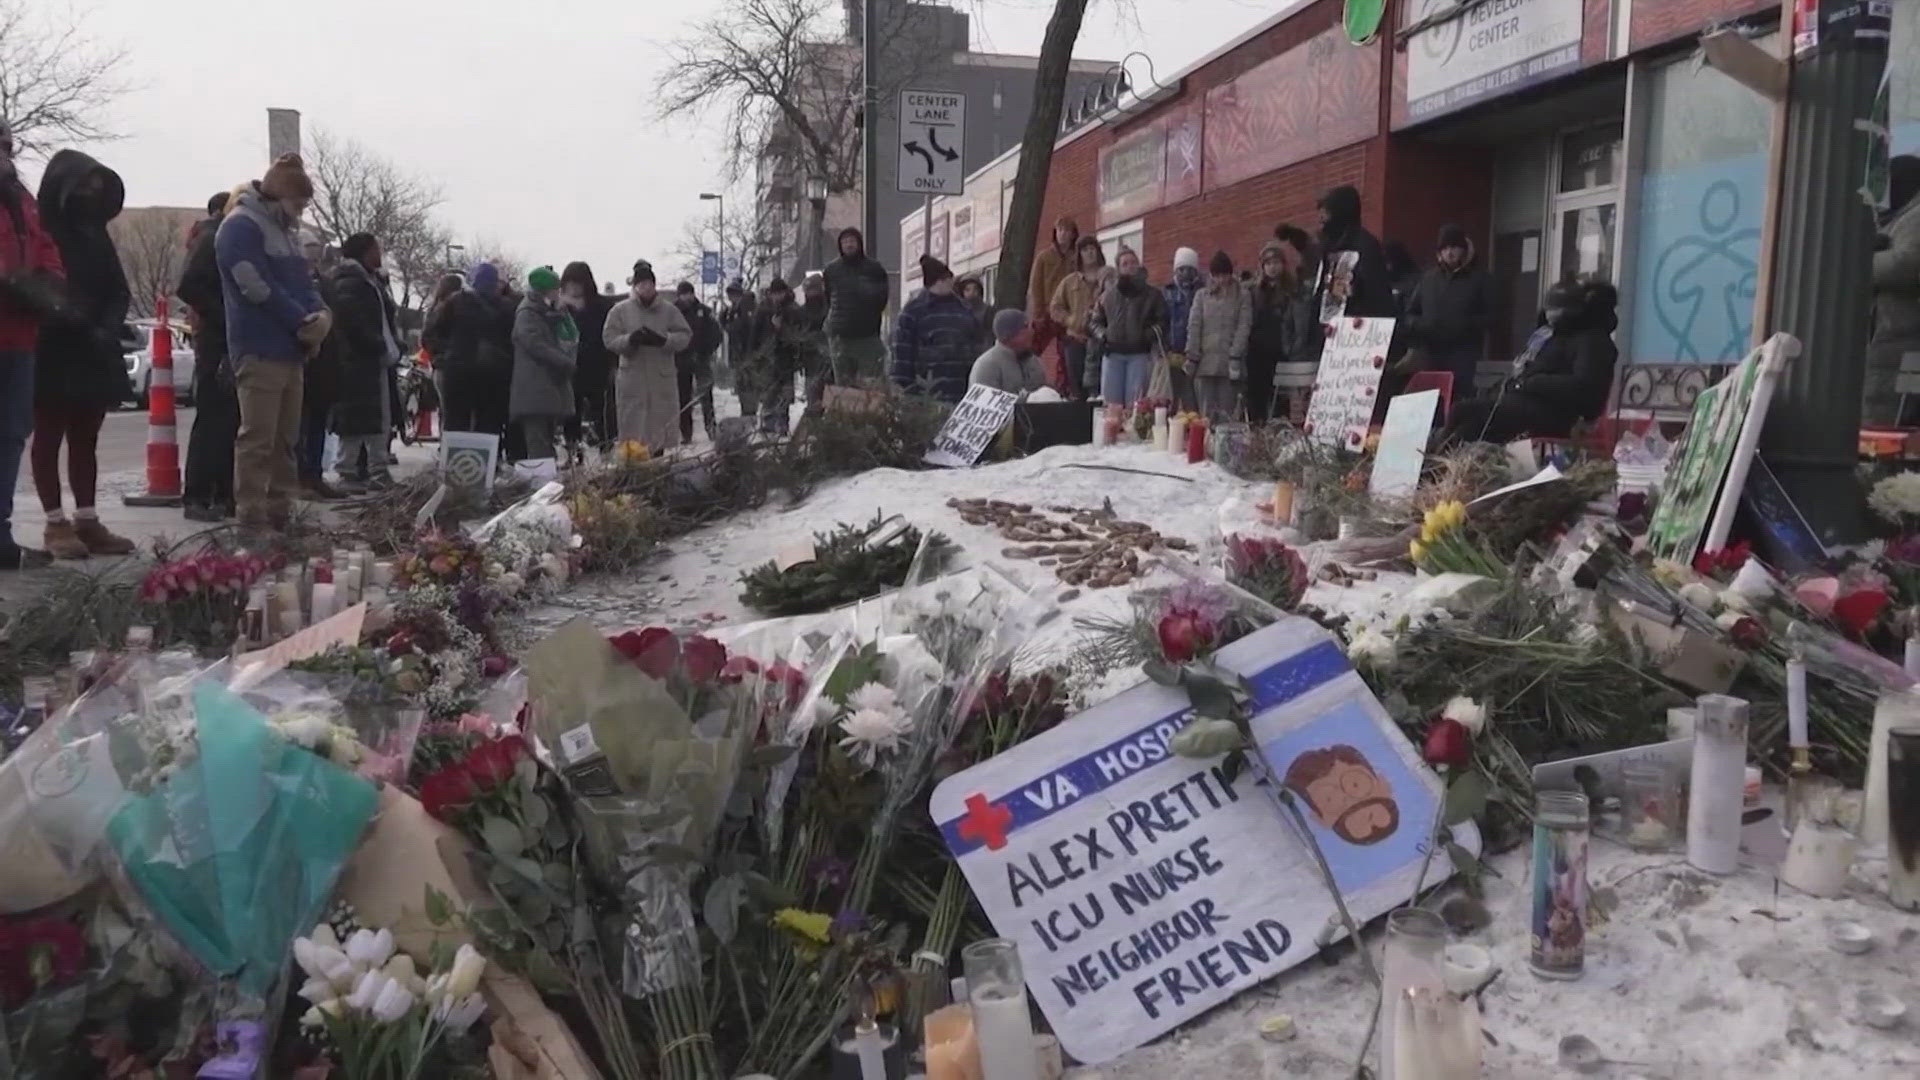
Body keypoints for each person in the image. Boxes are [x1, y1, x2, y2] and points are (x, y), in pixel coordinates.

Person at [30, 149, 135, 559]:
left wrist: (106, 325)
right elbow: (39, 281)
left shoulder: (96, 232)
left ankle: (87, 520)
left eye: (98, 187)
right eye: (85, 186)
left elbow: (118, 287)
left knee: (85, 438)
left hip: (94, 346)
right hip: (53, 345)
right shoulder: (42, 227)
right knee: (49, 434)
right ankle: (55, 522)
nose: (92, 194)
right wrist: (70, 317)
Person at [217, 153, 331, 531]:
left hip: (290, 351)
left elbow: (304, 283)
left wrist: (320, 315)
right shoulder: (240, 228)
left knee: (285, 439)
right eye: (297, 204)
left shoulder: (287, 232)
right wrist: (301, 321)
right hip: (259, 347)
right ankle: (251, 514)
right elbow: (256, 287)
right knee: (258, 439)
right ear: (280, 195)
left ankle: (281, 509)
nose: (299, 213)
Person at [1440, 280, 1618, 446]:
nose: (1550, 315)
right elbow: (1541, 366)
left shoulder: (1593, 342)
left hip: (1555, 414)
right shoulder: (1559, 337)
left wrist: (1531, 383)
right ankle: (1434, 464)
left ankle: (1433, 465)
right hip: (1529, 404)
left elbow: (1584, 387)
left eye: (1556, 310)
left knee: (1466, 413)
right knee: (1465, 421)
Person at [0, 119, 63, 569]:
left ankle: (0, 532)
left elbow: (45, 249)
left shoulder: (22, 200)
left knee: (11, 436)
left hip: (20, 337)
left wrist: (46, 284)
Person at [178, 190, 239, 522]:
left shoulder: (221, 237)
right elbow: (189, 286)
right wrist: (227, 316)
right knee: (214, 417)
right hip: (216, 340)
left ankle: (221, 492)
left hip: (227, 338)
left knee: (229, 420)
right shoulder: (212, 237)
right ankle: (199, 495)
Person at [325, 232, 401, 491]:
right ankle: (349, 471)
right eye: (376, 248)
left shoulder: (370, 281)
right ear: (365, 251)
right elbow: (351, 321)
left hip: (371, 360)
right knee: (357, 418)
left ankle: (374, 470)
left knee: (377, 417)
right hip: (358, 361)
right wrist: (376, 344)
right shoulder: (351, 282)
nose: (380, 254)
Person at [603, 260, 691, 450]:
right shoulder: (620, 311)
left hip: (661, 376)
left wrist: (664, 340)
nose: (646, 288)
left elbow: (685, 335)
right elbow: (609, 338)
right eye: (641, 284)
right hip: (632, 377)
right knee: (633, 427)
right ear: (635, 286)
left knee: (659, 425)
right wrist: (629, 340)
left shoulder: (668, 310)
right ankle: (633, 464)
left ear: (654, 285)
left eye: (649, 284)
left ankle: (658, 460)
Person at [1405, 223, 1494, 393]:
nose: (1450, 252)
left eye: (1454, 247)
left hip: (1463, 353)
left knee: (1458, 397)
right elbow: (1410, 312)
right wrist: (1420, 324)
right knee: (1431, 399)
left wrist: (1465, 324)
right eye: (1445, 248)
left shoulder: (1480, 279)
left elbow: (1492, 316)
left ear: (1464, 249)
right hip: (1431, 353)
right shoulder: (1429, 279)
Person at [432, 262, 514, 436]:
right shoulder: (506, 307)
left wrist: (444, 354)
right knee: (489, 424)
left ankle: (456, 461)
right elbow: (512, 339)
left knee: (456, 422)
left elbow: (436, 331)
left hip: (458, 370)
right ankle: (486, 461)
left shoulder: (455, 302)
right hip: (494, 373)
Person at [1868, 156, 1920, 424]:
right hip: (1890, 343)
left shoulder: (1914, 216)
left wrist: (1857, 265)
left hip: (1902, 343)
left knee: (1889, 424)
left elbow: (1909, 264)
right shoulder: (1898, 217)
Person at [509, 266, 579, 461]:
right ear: (546, 290)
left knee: (546, 441)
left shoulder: (547, 312)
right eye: (556, 289)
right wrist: (563, 362)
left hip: (546, 388)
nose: (559, 293)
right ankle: (541, 483)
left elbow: (571, 337)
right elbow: (534, 344)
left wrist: (563, 316)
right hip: (534, 388)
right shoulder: (527, 313)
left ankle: (546, 480)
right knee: (538, 444)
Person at [891, 255, 978, 403]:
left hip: (960, 386)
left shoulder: (963, 308)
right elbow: (902, 353)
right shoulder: (913, 311)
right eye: (945, 279)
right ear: (935, 282)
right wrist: (903, 386)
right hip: (925, 389)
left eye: (950, 278)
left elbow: (976, 342)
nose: (950, 282)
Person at [1090, 246, 1167, 409]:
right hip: (1113, 356)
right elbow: (1094, 322)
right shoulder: (1107, 296)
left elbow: (1163, 322)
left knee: (1136, 405)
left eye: (1133, 262)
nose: (1130, 266)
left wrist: (1146, 336)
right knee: (1111, 406)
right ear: (1118, 268)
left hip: (1139, 355)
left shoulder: (1153, 295)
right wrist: (1103, 335)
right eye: (1125, 264)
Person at [1246, 238, 1312, 423]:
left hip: (1281, 351)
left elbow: (1298, 324)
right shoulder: (1255, 291)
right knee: (1256, 398)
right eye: (1268, 263)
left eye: (1276, 262)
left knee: (1280, 403)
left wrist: (1291, 348)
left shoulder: (1293, 290)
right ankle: (1257, 434)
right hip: (1257, 352)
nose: (1272, 267)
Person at [1185, 251, 1251, 422]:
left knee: (1228, 415)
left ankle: (1225, 446)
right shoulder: (1202, 296)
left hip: (1229, 363)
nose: (1221, 279)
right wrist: (1192, 354)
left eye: (1225, 275)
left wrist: (1235, 354)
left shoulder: (1242, 295)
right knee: (1205, 416)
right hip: (1204, 364)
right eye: (1217, 275)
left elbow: (1244, 325)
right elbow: (1194, 325)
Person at [1314, 185, 1396, 321]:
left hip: (1356, 330)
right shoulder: (1328, 247)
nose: (1321, 218)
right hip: (1329, 328)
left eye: (1326, 212)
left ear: (1339, 212)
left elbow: (1377, 294)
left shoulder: (1365, 246)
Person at [822, 227, 889, 384]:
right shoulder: (832, 270)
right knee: (843, 383)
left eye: (852, 241)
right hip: (840, 335)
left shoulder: (874, 269)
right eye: (845, 242)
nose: (849, 245)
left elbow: (882, 298)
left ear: (859, 243)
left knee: (870, 383)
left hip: (867, 334)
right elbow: (828, 298)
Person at [559, 261, 615, 451]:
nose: (574, 288)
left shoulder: (602, 306)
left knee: (602, 412)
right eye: (569, 284)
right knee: (570, 412)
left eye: (578, 283)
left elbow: (608, 336)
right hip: (569, 367)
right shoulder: (560, 308)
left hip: (597, 366)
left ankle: (606, 448)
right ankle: (573, 452)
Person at [1049, 235, 1110, 400]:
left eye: (1093, 249)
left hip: (1101, 340)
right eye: (1085, 250)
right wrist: (1071, 320)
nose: (1090, 253)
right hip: (1076, 340)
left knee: (1101, 389)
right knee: (1077, 388)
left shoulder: (1108, 278)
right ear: (1079, 254)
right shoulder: (1069, 282)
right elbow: (1055, 308)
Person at [747, 277, 805, 435]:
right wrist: (753, 353)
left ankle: (782, 422)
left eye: (780, 293)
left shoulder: (793, 309)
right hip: (767, 357)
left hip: (785, 356)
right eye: (774, 294)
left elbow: (797, 335)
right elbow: (755, 332)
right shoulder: (763, 309)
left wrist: (780, 328)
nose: (777, 297)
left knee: (784, 392)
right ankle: (769, 421)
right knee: (769, 392)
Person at [1027, 216, 1080, 371]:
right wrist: (1038, 313)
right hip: (1046, 312)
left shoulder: (1076, 258)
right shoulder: (1044, 257)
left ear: (1072, 234)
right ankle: (1023, 378)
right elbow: (1036, 287)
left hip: (1068, 313)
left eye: (1067, 230)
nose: (1063, 234)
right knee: (1032, 349)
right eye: (1060, 230)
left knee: (1066, 354)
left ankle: (1065, 388)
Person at [672, 281, 722, 441]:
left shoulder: (704, 312)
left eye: (689, 293)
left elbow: (716, 333)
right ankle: (686, 432)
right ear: (679, 295)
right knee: (683, 396)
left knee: (706, 395)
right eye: (684, 294)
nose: (687, 297)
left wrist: (707, 351)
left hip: (701, 358)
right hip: (681, 359)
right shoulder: (673, 312)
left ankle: (711, 428)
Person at [1162, 247, 1203, 414]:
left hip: (1194, 354)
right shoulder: (1166, 292)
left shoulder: (1202, 292)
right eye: (1182, 269)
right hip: (1172, 351)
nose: (1186, 273)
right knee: (1169, 396)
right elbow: (1161, 321)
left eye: (1190, 269)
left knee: (1191, 399)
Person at [969, 308, 1045, 395]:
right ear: (1011, 336)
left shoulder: (1033, 361)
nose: (1032, 332)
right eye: (1026, 327)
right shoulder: (987, 365)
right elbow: (983, 404)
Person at [719, 279, 758, 420]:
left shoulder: (746, 308)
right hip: (738, 352)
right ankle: (746, 410)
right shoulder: (732, 310)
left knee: (748, 384)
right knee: (742, 384)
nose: (731, 298)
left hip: (747, 351)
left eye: (733, 295)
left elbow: (743, 328)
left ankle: (750, 412)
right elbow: (725, 324)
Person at [798, 272, 831, 407]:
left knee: (827, 398)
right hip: (811, 360)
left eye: (813, 289)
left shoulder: (829, 308)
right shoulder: (803, 311)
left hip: (827, 360)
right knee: (814, 398)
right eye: (808, 290)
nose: (811, 293)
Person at [957, 275, 993, 357]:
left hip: (982, 352)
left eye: (975, 289)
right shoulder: (959, 311)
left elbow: (989, 335)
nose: (972, 292)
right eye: (967, 290)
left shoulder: (987, 310)